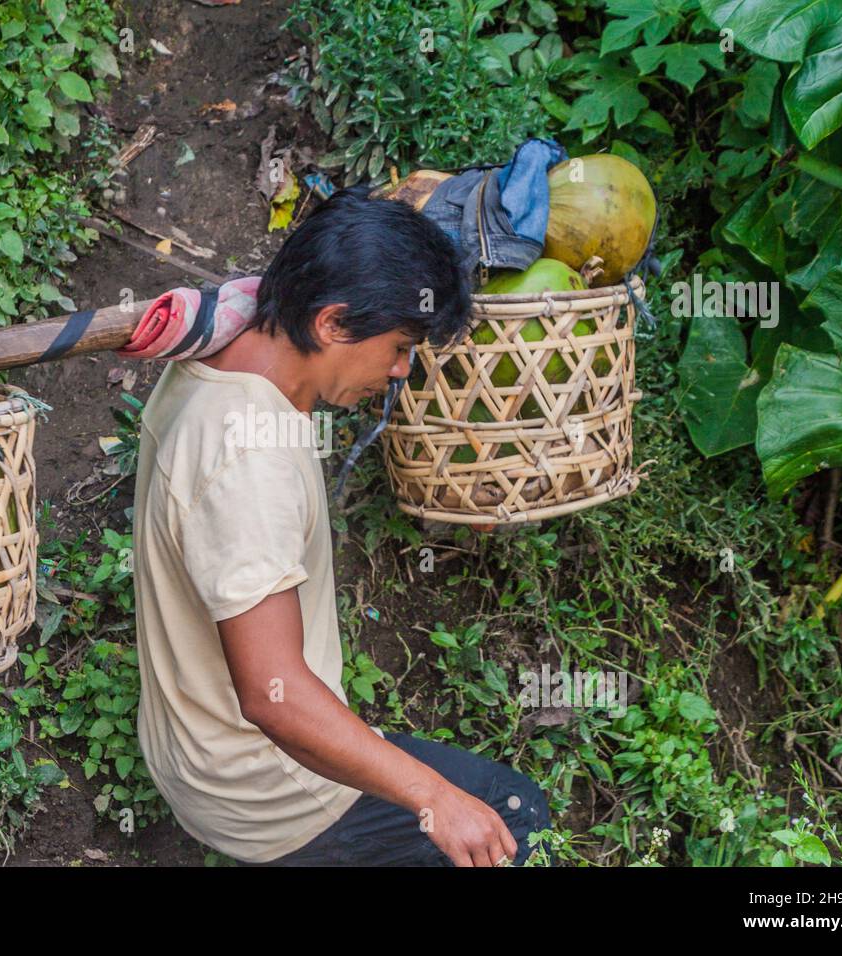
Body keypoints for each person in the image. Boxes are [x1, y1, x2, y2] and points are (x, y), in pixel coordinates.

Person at [130, 184, 552, 866]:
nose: (399, 372)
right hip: (263, 788)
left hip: (195, 747)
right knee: (514, 821)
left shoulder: (221, 355)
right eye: (399, 347)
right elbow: (278, 700)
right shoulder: (249, 459)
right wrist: (432, 798)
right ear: (329, 323)